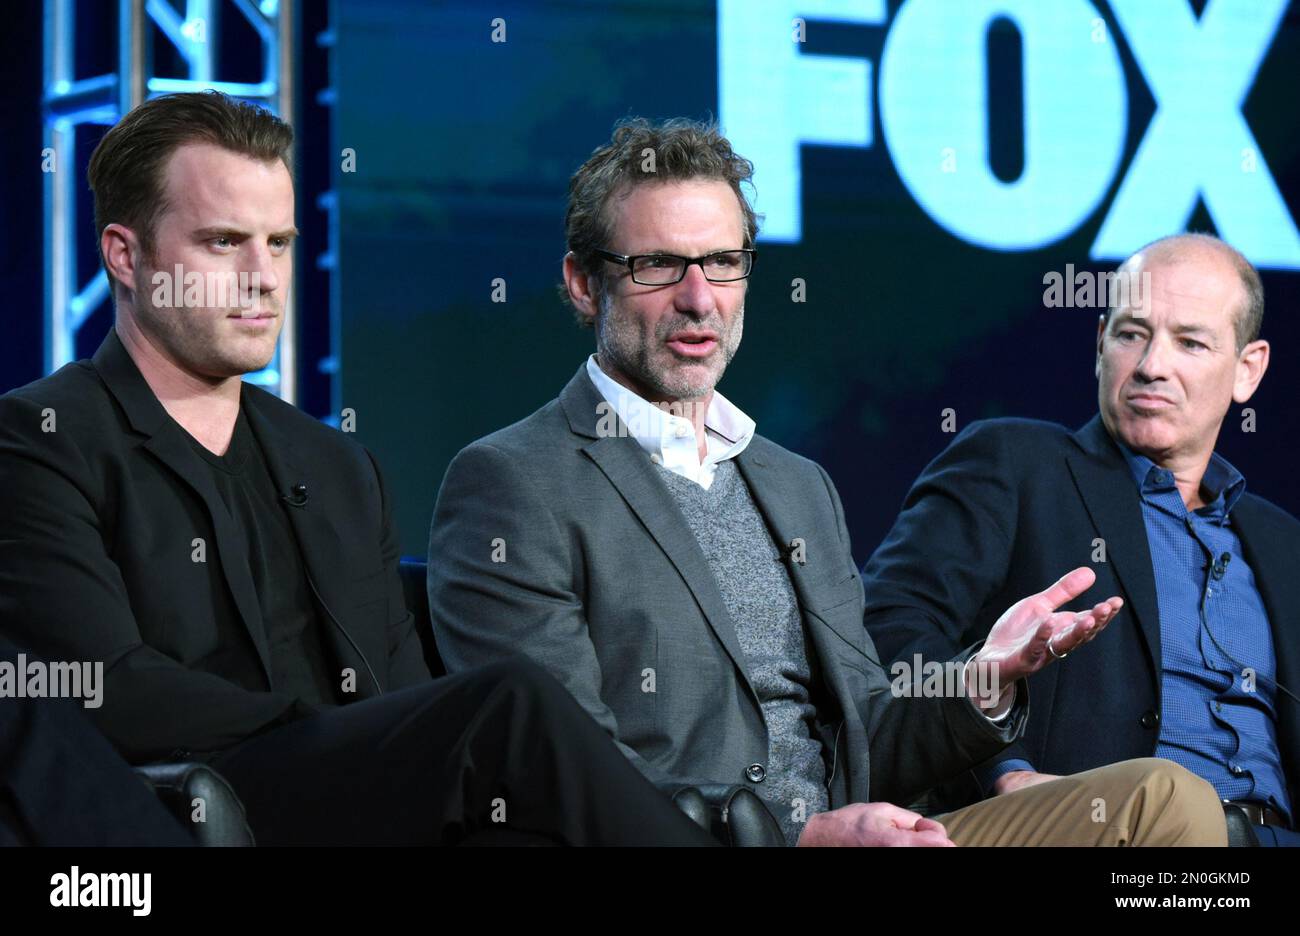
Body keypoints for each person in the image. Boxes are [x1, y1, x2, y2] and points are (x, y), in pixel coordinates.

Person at [427, 117, 1227, 846]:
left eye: (722, 262)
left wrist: (981, 679)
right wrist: (794, 837)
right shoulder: (513, 483)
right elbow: (558, 772)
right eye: (659, 265)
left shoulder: (795, 484)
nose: (699, 299)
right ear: (582, 282)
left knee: (1163, 801)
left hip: (872, 837)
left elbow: (873, 740)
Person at [0, 92, 717, 847]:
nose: (263, 277)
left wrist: (389, 740)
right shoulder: (42, 440)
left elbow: (398, 691)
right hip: (195, 804)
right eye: (223, 242)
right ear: (126, 255)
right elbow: (104, 686)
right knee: (505, 705)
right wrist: (341, 733)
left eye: (279, 242)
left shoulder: (337, 466)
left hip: (362, 802)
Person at [861, 233, 1298, 846]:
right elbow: (886, 629)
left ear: (1248, 369)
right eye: (1131, 334)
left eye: (1190, 343)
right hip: (1109, 831)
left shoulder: (1283, 544)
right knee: (1172, 803)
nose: (1152, 366)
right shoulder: (1015, 464)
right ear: (1100, 344)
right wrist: (1004, 769)